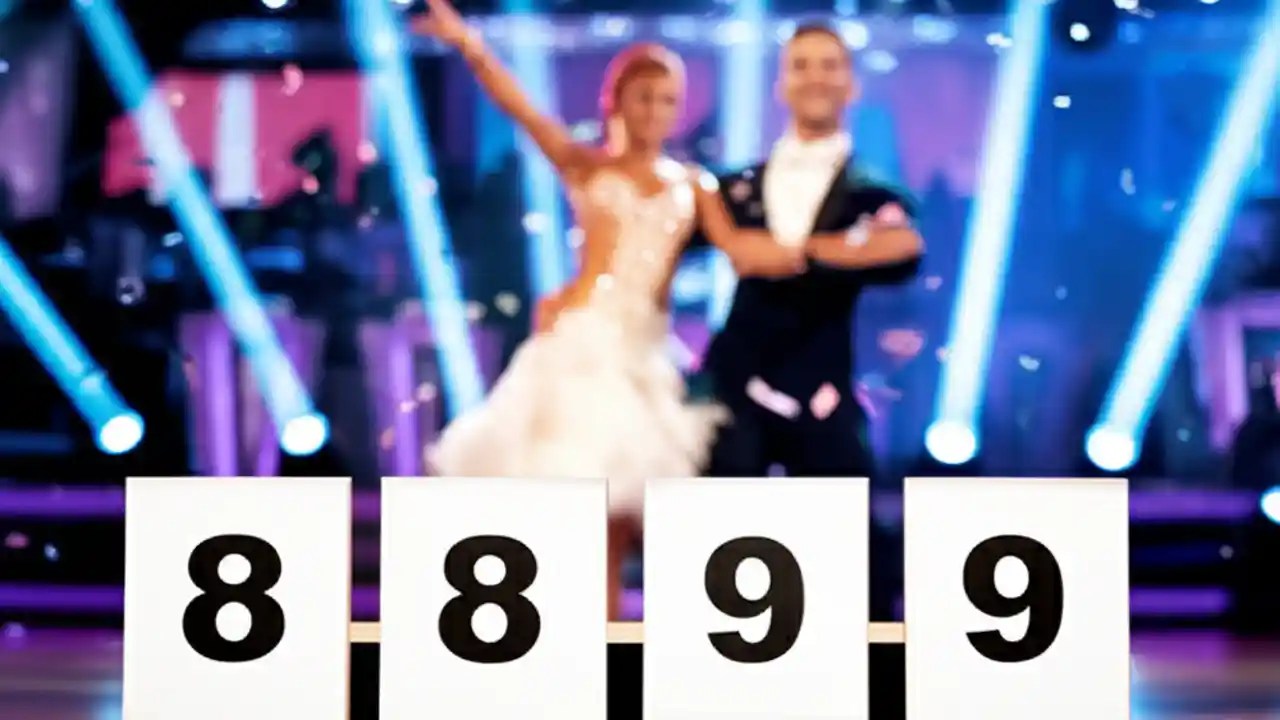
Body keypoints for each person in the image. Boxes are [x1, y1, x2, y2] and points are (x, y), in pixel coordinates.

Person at [412, 0, 808, 619]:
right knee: (568, 497)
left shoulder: (693, 185)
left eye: (667, 100)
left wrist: (810, 247)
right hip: (580, 342)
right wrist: (469, 44)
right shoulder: (587, 164)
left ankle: (610, 638)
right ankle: (556, 634)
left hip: (644, 353)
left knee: (626, 510)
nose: (655, 111)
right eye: (644, 97)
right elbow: (521, 110)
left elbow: (738, 248)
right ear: (619, 100)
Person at [692, 24, 924, 614]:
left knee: (850, 534)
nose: (815, 77)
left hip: (822, 376)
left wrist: (797, 251)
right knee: (713, 532)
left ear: (851, 83)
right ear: (780, 83)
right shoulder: (735, 185)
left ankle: (869, 678)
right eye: (801, 65)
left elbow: (901, 249)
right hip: (737, 376)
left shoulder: (872, 189)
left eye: (829, 64)